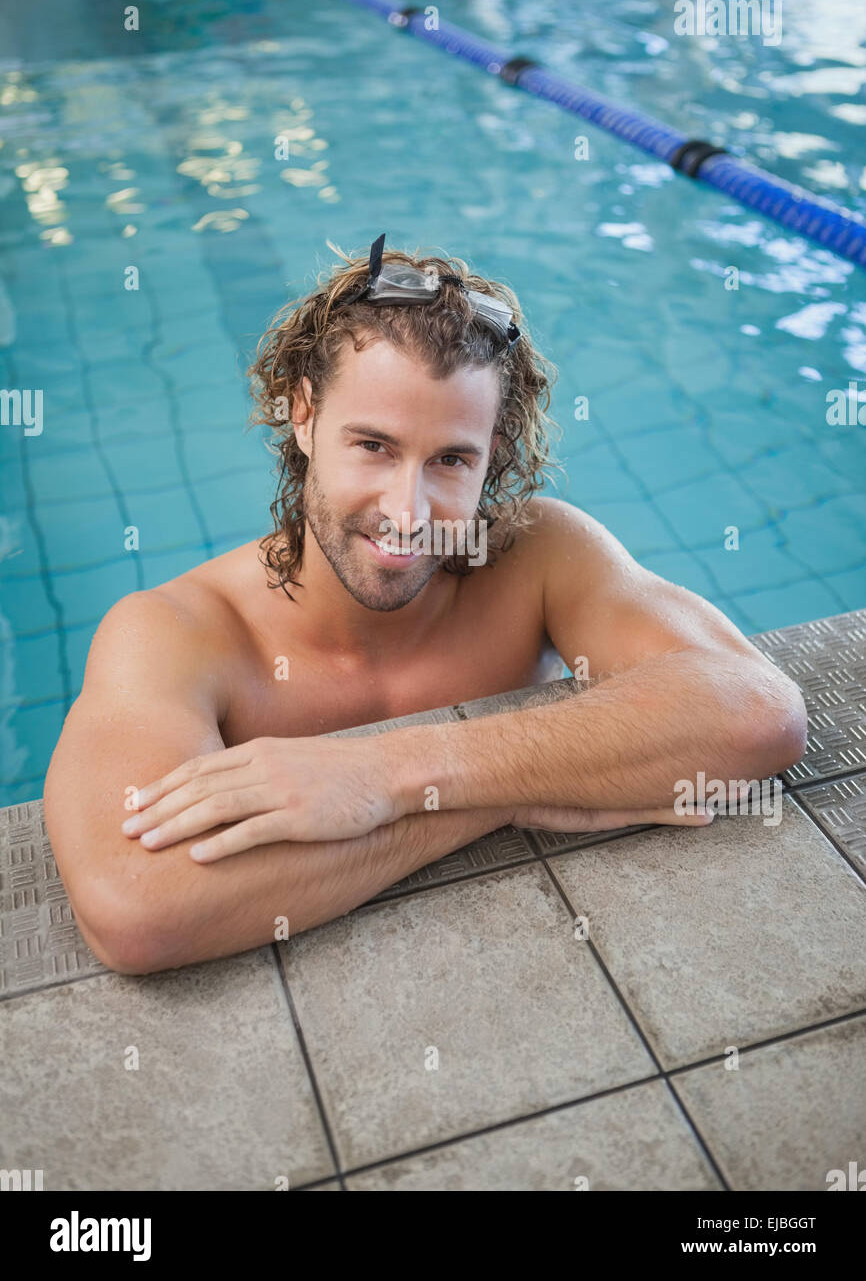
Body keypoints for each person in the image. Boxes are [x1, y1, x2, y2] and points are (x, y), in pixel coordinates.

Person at [43, 234, 808, 976]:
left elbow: (756, 712)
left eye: (450, 460)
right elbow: (136, 908)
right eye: (373, 446)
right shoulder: (178, 633)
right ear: (303, 416)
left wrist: (392, 775)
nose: (408, 509)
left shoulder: (541, 555)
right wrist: (514, 795)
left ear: (494, 456)